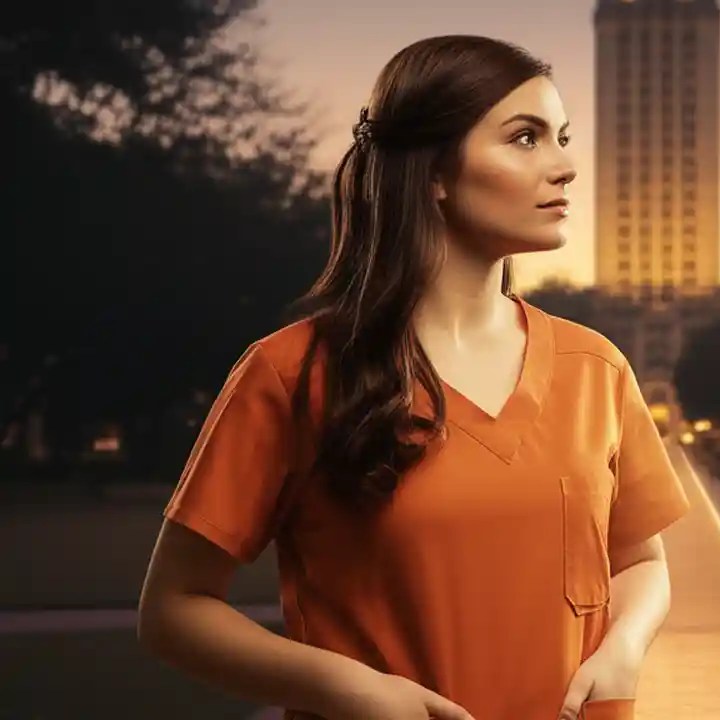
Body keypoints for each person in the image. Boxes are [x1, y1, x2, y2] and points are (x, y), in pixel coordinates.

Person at [136, 35, 691, 720]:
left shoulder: (596, 367)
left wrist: (624, 647)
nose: (566, 166)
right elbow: (173, 609)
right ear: (435, 173)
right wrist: (347, 687)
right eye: (525, 138)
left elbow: (641, 561)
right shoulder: (291, 373)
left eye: (562, 137)